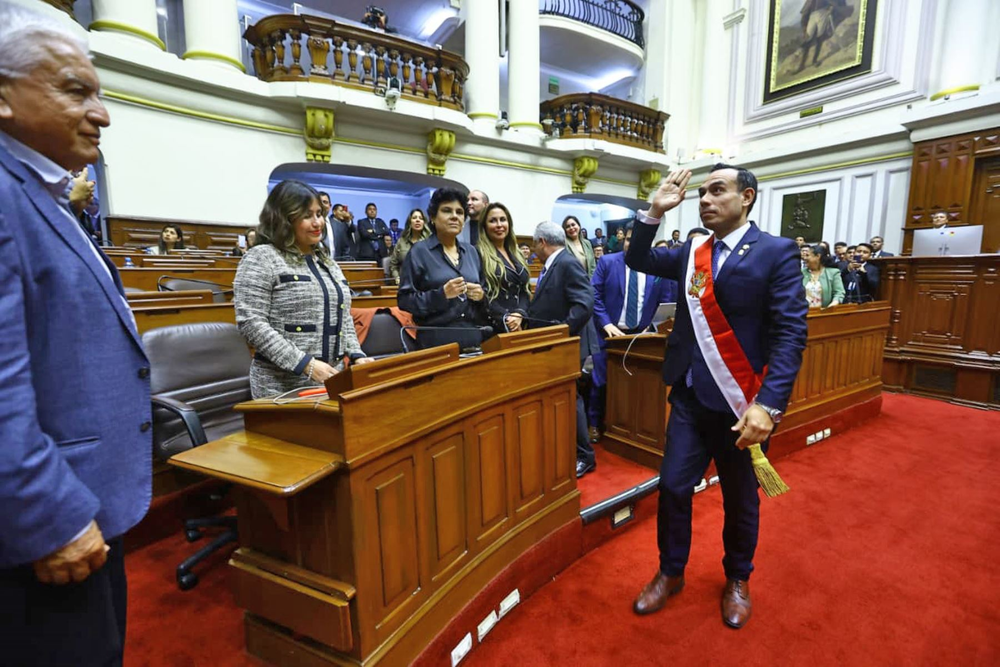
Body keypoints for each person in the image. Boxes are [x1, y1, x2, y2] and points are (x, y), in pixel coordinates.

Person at [0, 7, 152, 664]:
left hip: (85, 503)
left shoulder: (41, 193)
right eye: (75, 90)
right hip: (47, 524)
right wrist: (50, 515)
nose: (102, 114)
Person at [626, 164, 807, 629]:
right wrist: (654, 211)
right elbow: (638, 259)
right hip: (690, 396)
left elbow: (790, 334)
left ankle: (738, 578)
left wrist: (768, 405)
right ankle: (671, 571)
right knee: (672, 487)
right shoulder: (694, 251)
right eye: (702, 192)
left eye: (717, 190)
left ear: (746, 197)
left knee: (741, 499)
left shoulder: (776, 252)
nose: (705, 199)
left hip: (742, 404)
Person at [234, 180, 371, 399]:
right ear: (284, 219)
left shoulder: (327, 262)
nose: (318, 223)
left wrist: (356, 354)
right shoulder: (261, 257)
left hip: (332, 380)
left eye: (319, 214)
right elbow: (251, 323)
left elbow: (343, 316)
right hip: (282, 387)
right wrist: (305, 364)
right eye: (307, 216)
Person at [589, 222, 678, 441]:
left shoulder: (657, 267)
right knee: (601, 382)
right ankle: (594, 423)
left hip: (641, 337)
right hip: (608, 334)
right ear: (623, 240)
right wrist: (606, 323)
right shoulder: (608, 262)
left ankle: (625, 427)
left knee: (634, 385)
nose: (632, 243)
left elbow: (665, 300)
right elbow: (594, 295)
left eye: (637, 239)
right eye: (629, 239)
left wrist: (651, 325)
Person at [527, 221, 597, 477]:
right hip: (556, 345)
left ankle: (585, 456)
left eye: (534, 244)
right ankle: (569, 449)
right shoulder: (554, 264)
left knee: (571, 397)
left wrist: (561, 332)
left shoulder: (566, 263)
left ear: (542, 242)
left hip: (568, 344)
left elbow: (584, 303)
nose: (533, 249)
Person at [398, 188, 489, 351]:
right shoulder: (419, 252)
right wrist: (441, 295)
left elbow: (486, 293)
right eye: (447, 210)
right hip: (436, 340)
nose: (455, 216)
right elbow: (405, 300)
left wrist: (481, 296)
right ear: (433, 217)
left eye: (459, 212)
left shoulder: (472, 252)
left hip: (473, 337)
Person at [476, 202, 531, 332]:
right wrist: (508, 319)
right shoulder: (477, 253)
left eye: (503, 220)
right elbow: (481, 295)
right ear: (484, 226)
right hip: (495, 326)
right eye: (493, 221)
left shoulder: (517, 253)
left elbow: (525, 290)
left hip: (521, 323)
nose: (499, 225)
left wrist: (519, 314)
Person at [389, 208, 431, 284]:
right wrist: (397, 277)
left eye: (421, 218)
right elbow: (393, 264)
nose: (417, 220)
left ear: (424, 222)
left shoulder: (429, 242)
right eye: (414, 218)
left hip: (425, 283)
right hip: (404, 282)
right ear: (409, 222)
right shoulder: (401, 241)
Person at [802, 244, 845, 308]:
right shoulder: (801, 273)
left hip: (824, 311)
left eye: (807, 255)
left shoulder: (833, 273)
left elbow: (839, 293)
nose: (805, 258)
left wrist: (834, 304)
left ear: (818, 256)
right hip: (802, 312)